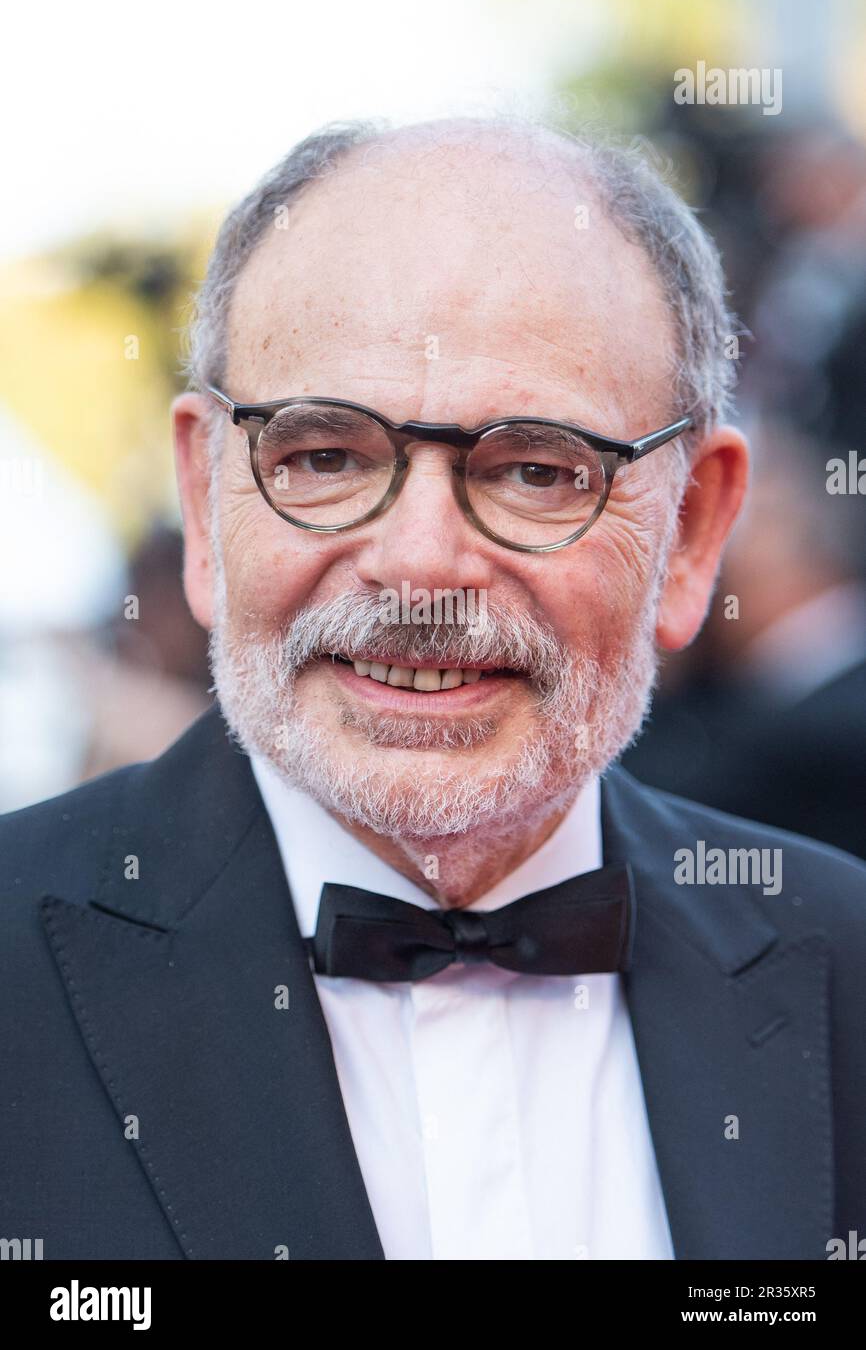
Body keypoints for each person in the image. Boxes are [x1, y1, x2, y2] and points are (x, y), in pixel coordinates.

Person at [2, 116, 864, 1261]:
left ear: (693, 530)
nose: (418, 563)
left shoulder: (842, 966)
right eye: (324, 455)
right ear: (204, 501)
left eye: (534, 469)